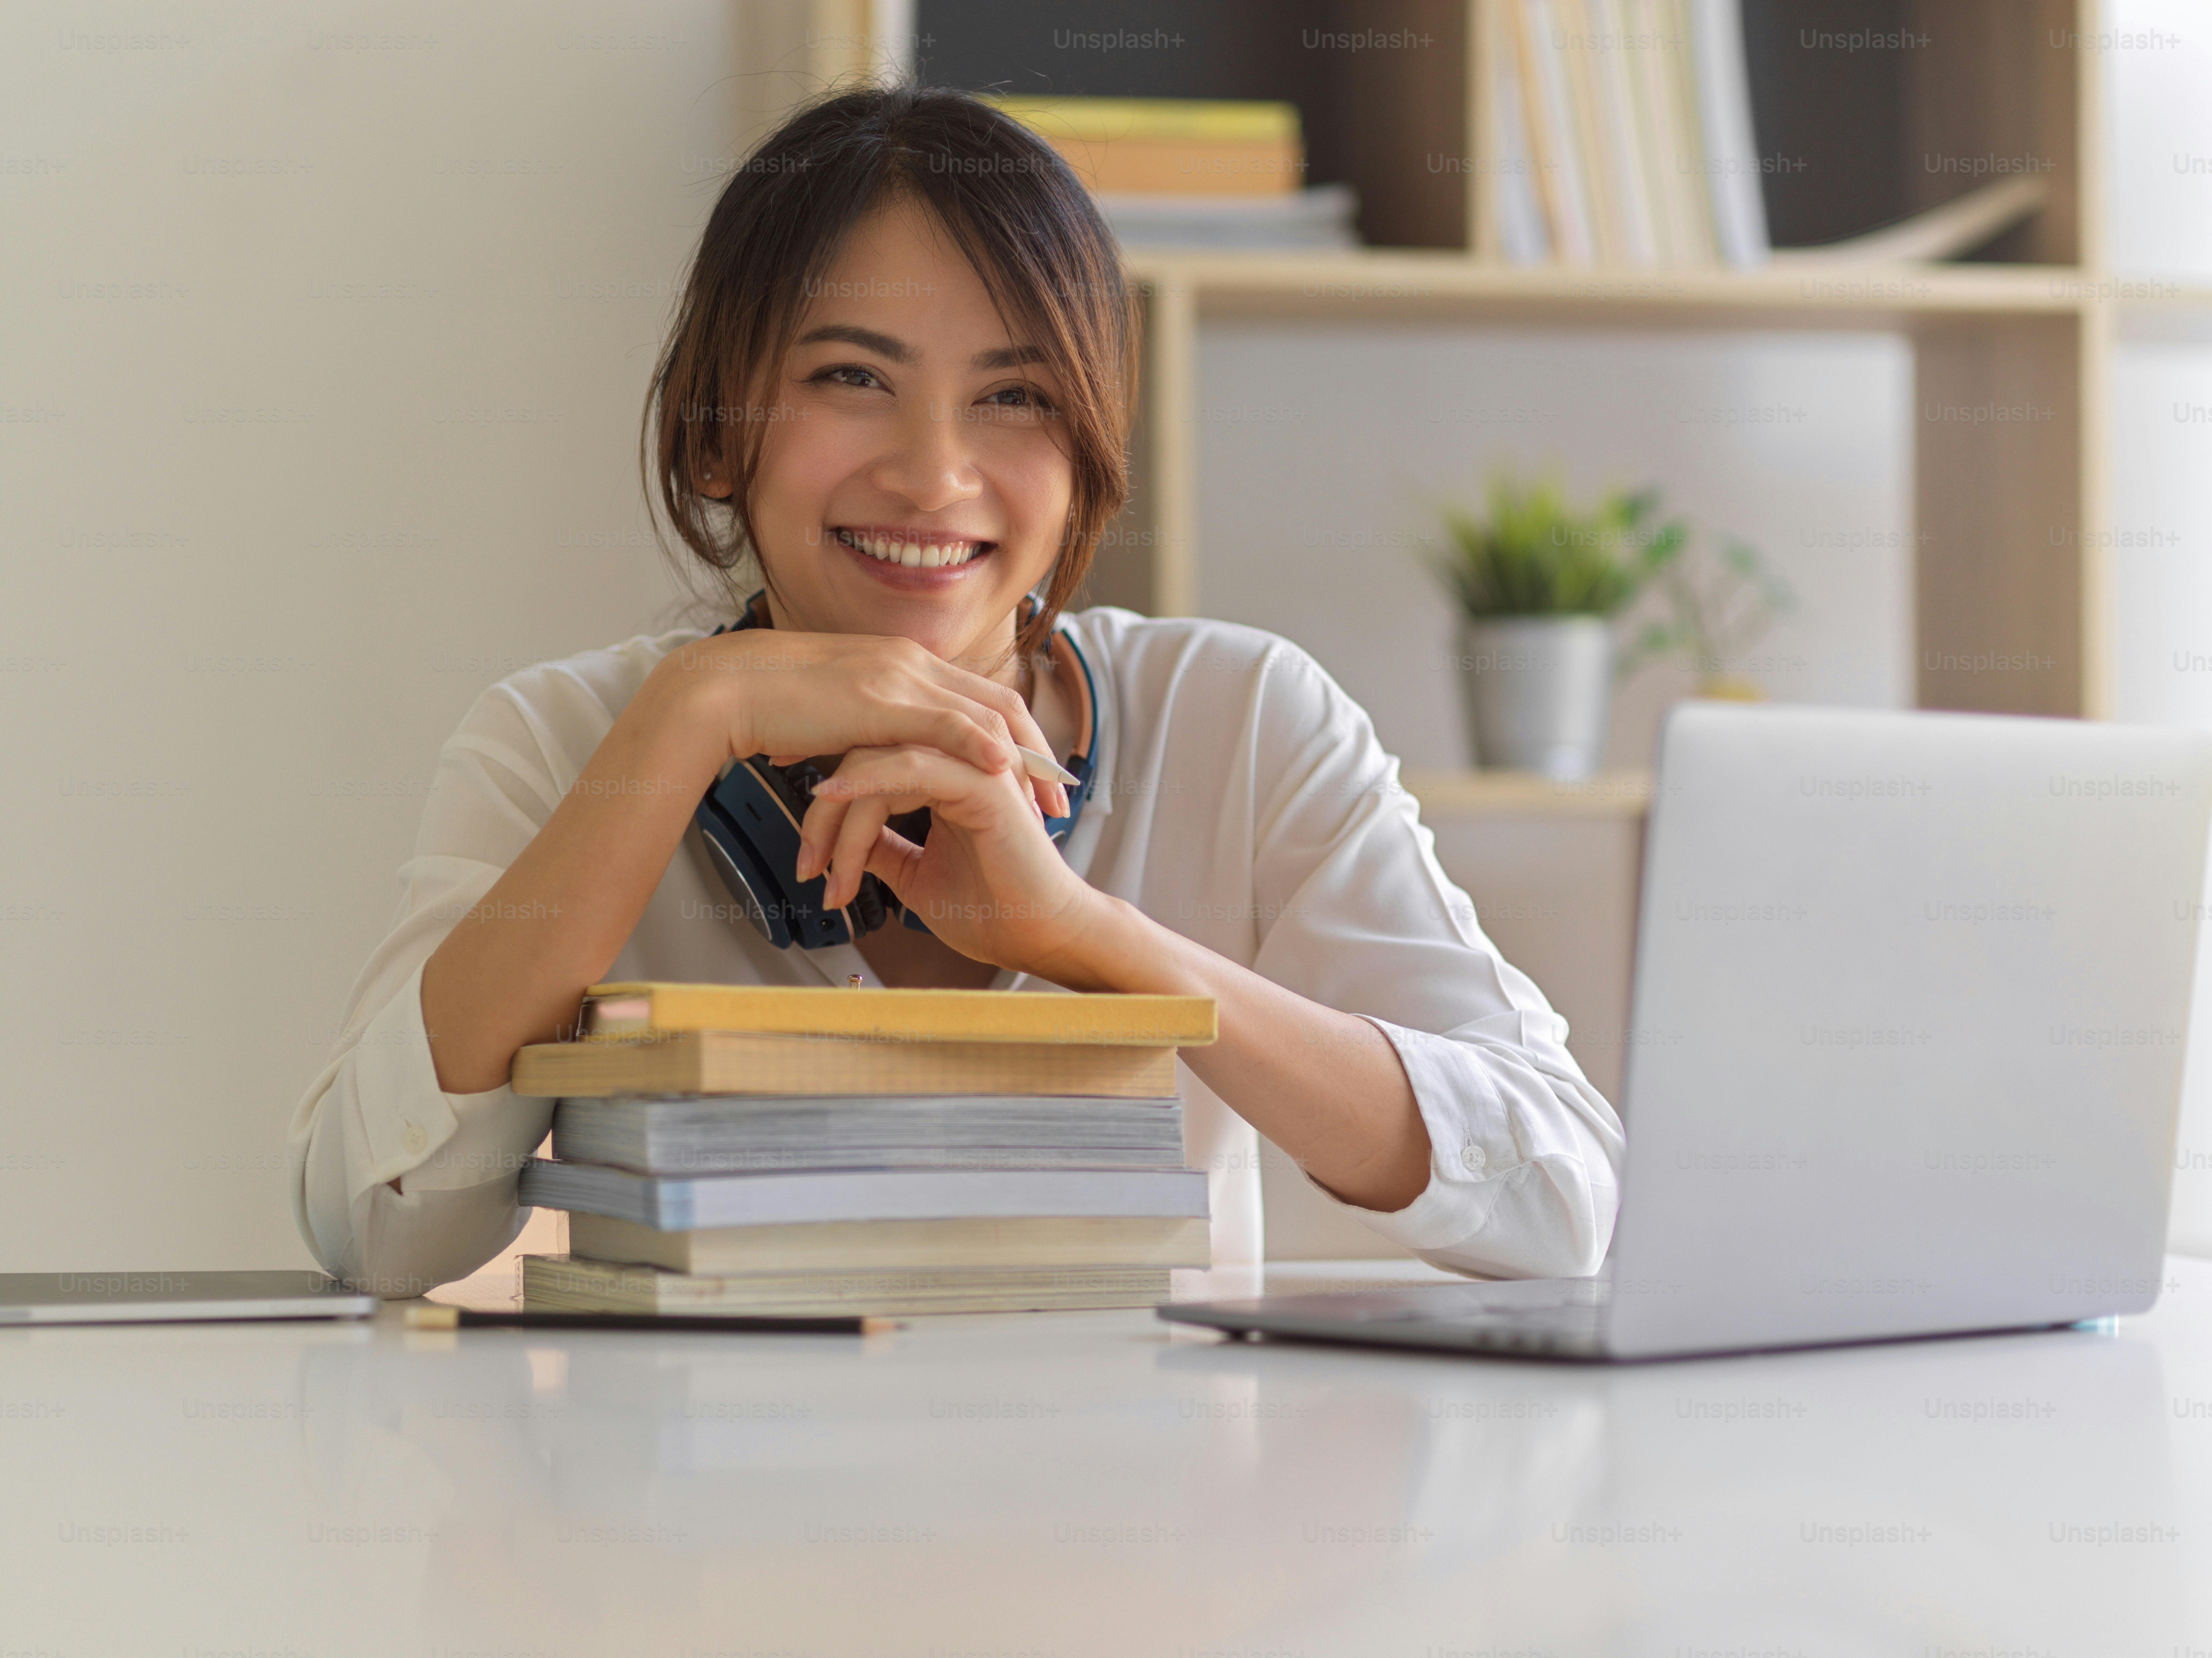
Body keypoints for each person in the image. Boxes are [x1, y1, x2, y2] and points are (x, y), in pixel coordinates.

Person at [287, 85, 1624, 1296]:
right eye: (850, 379)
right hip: (702, 1550)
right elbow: (378, 1228)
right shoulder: (567, 739)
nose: (934, 476)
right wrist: (687, 723)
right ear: (714, 433)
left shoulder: (1247, 718)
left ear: (1090, 451)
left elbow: (1561, 1198)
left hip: (1142, 1540)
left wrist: (1091, 938)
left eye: (1015, 397)